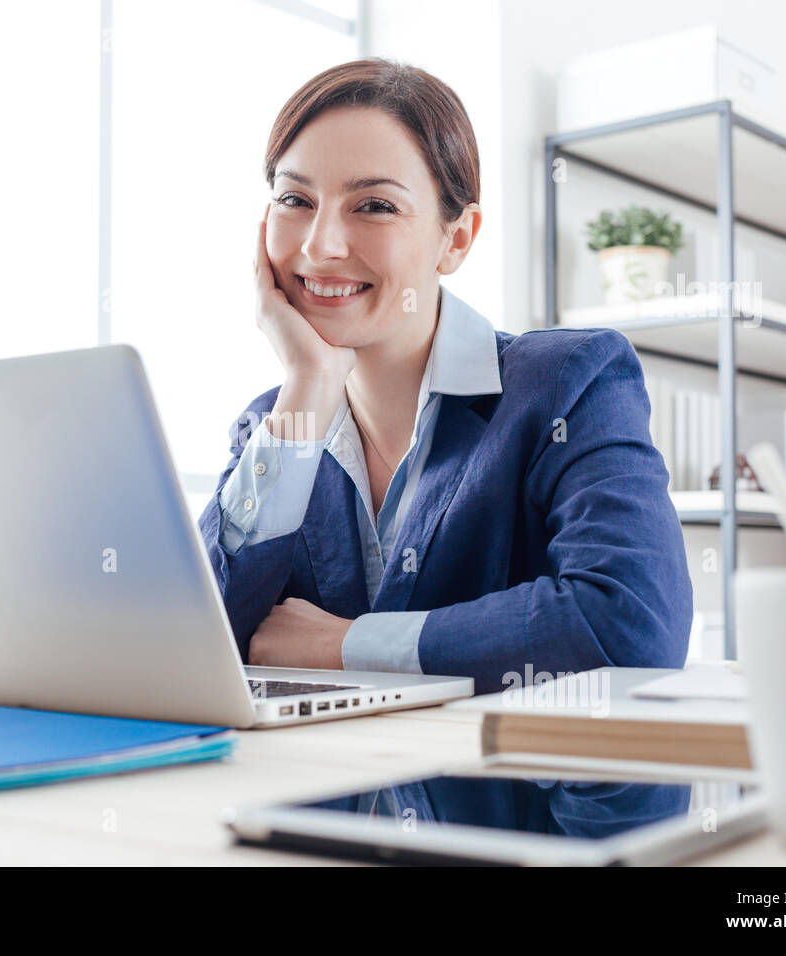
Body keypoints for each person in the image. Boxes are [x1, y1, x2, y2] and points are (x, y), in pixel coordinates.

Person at [195, 58, 695, 831]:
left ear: (455, 239)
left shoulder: (568, 382)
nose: (322, 245)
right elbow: (196, 652)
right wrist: (303, 387)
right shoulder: (276, 426)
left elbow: (625, 626)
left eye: (374, 206)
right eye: (294, 200)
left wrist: (347, 646)